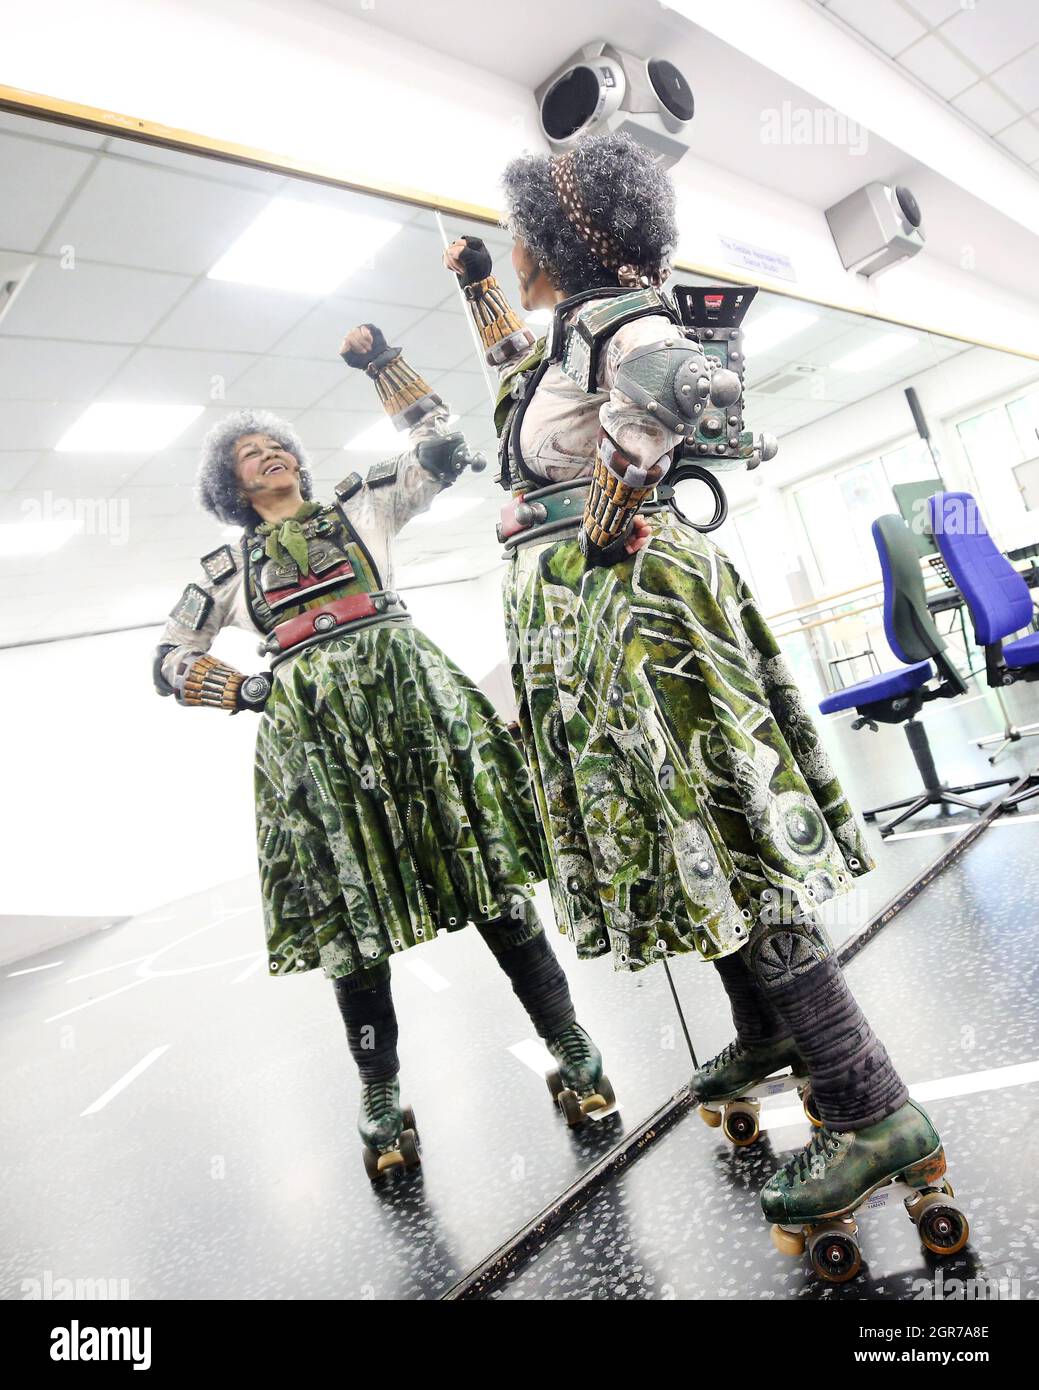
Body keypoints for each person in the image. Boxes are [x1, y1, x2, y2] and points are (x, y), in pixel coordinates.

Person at [443, 130, 952, 1241]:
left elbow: (679, 382)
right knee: (692, 840)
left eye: (514, 239)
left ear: (554, 243)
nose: (510, 252)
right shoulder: (567, 334)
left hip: (636, 613)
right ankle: (765, 1028)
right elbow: (515, 368)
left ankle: (871, 1105)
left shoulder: (613, 322)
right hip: (602, 618)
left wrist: (609, 513)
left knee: (725, 838)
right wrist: (476, 287)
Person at [151, 324, 612, 1179]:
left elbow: (442, 447)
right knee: (351, 926)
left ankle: (570, 1043)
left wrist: (383, 366)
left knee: (489, 881)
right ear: (231, 485)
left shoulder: (364, 504)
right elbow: (168, 658)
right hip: (317, 741)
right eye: (249, 454)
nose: (269, 454)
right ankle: (379, 1092)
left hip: (413, 707)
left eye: (276, 444)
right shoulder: (224, 572)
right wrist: (244, 690)